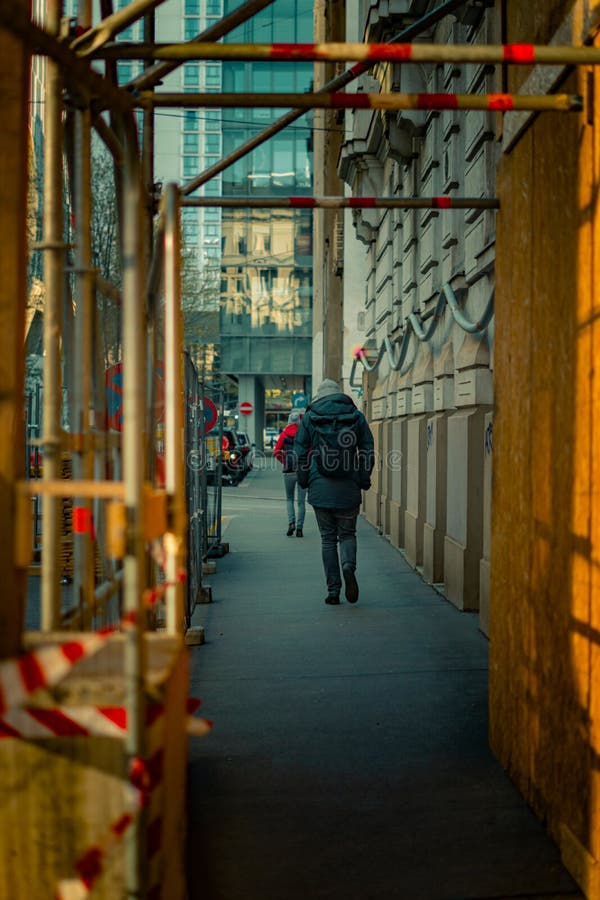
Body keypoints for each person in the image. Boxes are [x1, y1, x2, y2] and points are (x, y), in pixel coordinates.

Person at [295, 379, 374, 605]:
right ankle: (348, 565)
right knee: (347, 534)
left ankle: (333, 591)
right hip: (349, 487)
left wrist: (304, 480)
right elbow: (367, 449)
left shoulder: (310, 417)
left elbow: (300, 452)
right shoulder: (356, 416)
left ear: (320, 397)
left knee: (328, 539)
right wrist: (363, 478)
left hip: (320, 487)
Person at [274, 410, 307, 537]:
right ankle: (299, 528)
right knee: (301, 502)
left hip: (288, 471)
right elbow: (310, 451)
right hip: (302, 470)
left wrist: (283, 461)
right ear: (299, 421)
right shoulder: (303, 434)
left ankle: (291, 523)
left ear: (289, 421)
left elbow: (276, 452)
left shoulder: (283, 435)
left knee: (289, 499)